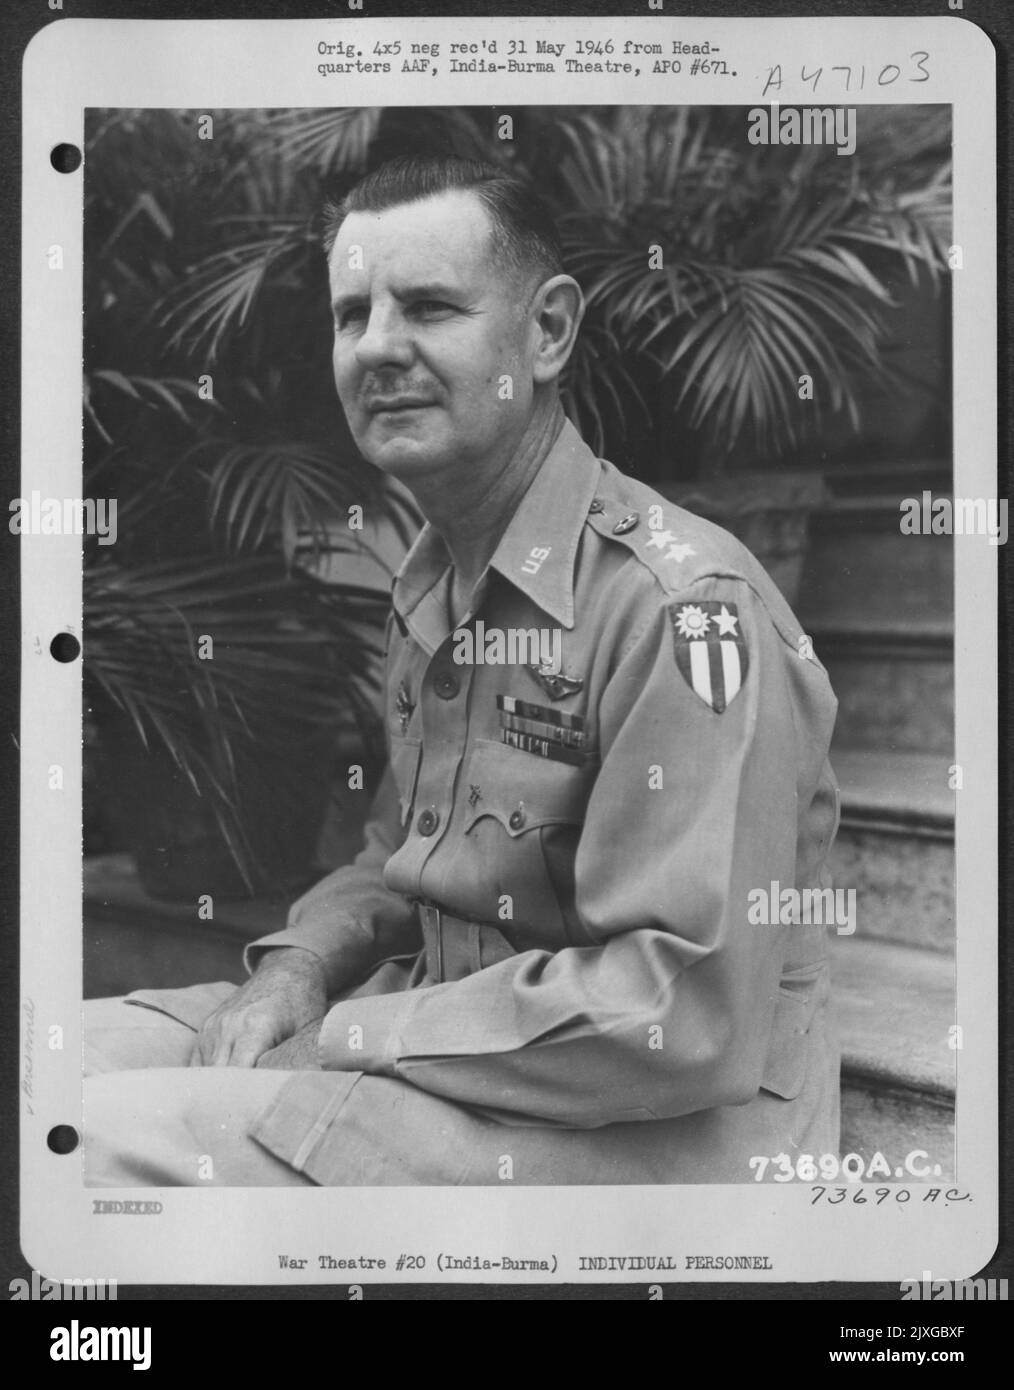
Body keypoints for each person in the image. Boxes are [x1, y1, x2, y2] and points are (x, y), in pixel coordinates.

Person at [84, 155, 840, 1185]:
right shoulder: (436, 582)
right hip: (448, 1043)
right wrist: (304, 964)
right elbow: (405, 852)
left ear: (548, 332)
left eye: (430, 307)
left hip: (647, 1136)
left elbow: (681, 1010)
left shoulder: (683, 610)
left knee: (93, 1150)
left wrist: (354, 1036)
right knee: (49, 1064)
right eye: (353, 315)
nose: (378, 348)